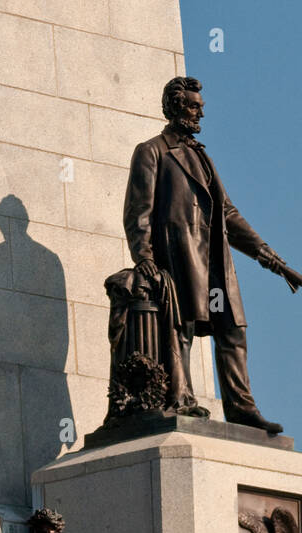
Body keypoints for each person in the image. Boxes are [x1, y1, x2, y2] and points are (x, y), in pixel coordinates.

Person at [122, 75, 290, 433]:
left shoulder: (203, 157)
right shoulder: (152, 151)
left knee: (231, 330)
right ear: (175, 107)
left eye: (201, 107)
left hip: (214, 263)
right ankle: (180, 400)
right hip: (178, 256)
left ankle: (242, 409)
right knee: (179, 329)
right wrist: (145, 258)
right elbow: (138, 212)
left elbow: (227, 213)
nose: (200, 114)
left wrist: (263, 252)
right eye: (193, 106)